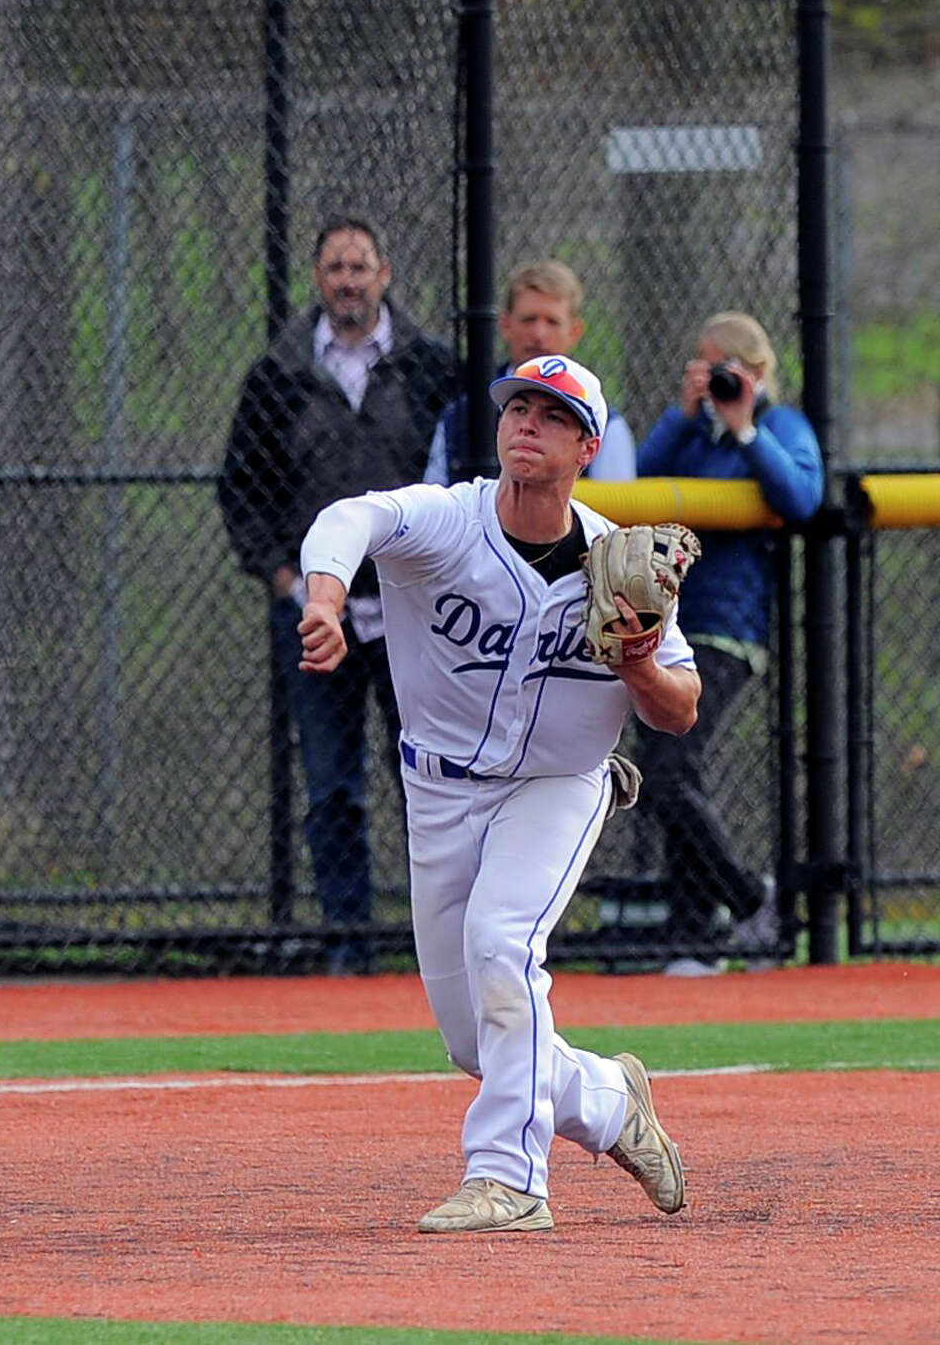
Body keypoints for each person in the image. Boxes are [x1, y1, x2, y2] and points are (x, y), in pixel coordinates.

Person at [297, 352, 699, 1232]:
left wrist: (637, 661)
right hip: (437, 793)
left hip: (558, 786)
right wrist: (327, 599)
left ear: (587, 446)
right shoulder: (449, 521)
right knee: (474, 1037)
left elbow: (680, 708)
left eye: (552, 415)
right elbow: (346, 519)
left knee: (502, 940)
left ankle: (509, 1180)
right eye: (518, 407)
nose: (527, 423)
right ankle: (607, 1097)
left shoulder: (616, 561)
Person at [219, 215, 456, 974]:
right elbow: (242, 491)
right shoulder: (280, 373)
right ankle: (347, 940)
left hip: (414, 616)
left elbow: (458, 484)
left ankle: (439, 942)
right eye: (335, 267)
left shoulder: (431, 369)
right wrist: (292, 584)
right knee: (332, 786)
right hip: (317, 616)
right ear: (318, 280)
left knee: (426, 779)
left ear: (385, 273)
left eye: (361, 265)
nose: (348, 279)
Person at [635, 311, 824, 962]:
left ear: (757, 371)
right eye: (706, 365)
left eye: (726, 368)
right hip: (665, 626)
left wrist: (745, 427)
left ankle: (748, 901)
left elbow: (802, 495)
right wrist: (683, 413)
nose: (715, 380)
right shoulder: (693, 434)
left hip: (727, 630)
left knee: (667, 772)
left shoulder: (777, 426)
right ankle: (701, 930)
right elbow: (636, 485)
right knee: (669, 772)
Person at [424, 259, 636, 486]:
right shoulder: (460, 416)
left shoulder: (606, 426)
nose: (539, 334)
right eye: (529, 320)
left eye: (552, 322)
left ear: (574, 331)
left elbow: (615, 512)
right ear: (505, 325)